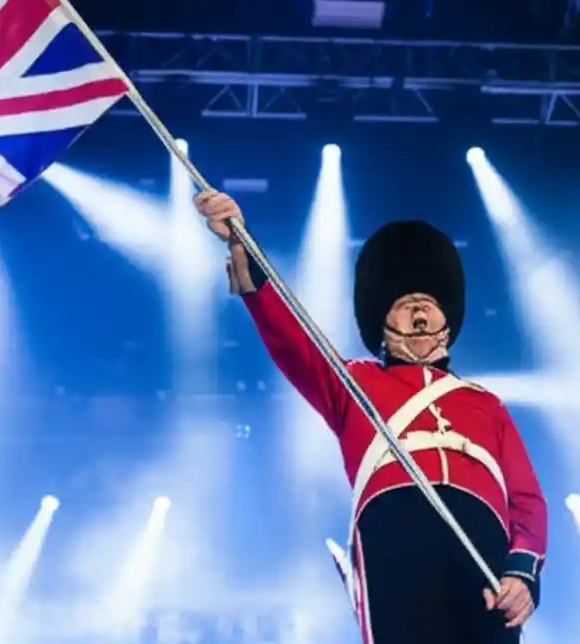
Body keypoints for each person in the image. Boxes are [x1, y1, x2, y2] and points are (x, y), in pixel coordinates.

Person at [196, 191, 548, 644]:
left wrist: (522, 572)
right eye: (406, 304)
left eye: (429, 302)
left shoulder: (485, 403)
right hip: (392, 534)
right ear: (382, 322)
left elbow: (527, 500)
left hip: (482, 550)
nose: (420, 311)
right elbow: (290, 334)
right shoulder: (352, 383)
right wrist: (243, 244)